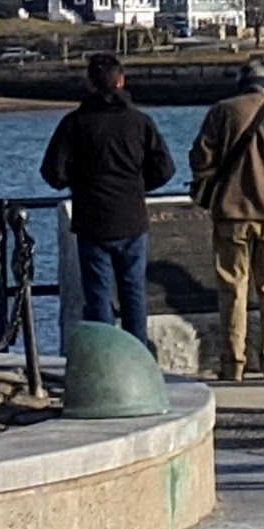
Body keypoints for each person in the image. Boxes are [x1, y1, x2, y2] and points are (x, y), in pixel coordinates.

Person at [41, 51, 175, 344]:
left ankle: (106, 358)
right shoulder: (140, 122)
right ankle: (138, 358)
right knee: (134, 294)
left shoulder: (75, 124)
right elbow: (165, 169)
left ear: (90, 84)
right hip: (132, 218)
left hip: (93, 219)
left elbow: (53, 173)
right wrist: (137, 186)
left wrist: (79, 182)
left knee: (98, 296)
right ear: (121, 82)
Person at [189, 58, 264, 381]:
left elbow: (199, 158)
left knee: (232, 289)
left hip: (231, 214)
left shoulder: (222, 112)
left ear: (241, 85)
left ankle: (233, 363)